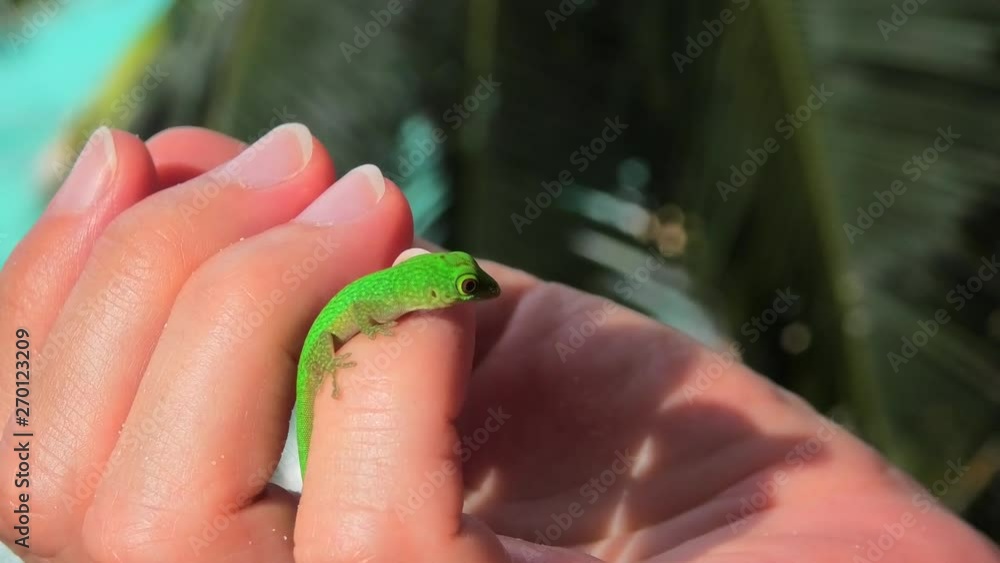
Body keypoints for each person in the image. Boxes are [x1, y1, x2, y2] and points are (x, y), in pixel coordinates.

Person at [0, 124, 996, 563]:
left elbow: (375, 312)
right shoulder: (404, 299)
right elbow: (344, 329)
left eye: (464, 285)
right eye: (462, 285)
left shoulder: (423, 298)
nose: (470, 293)